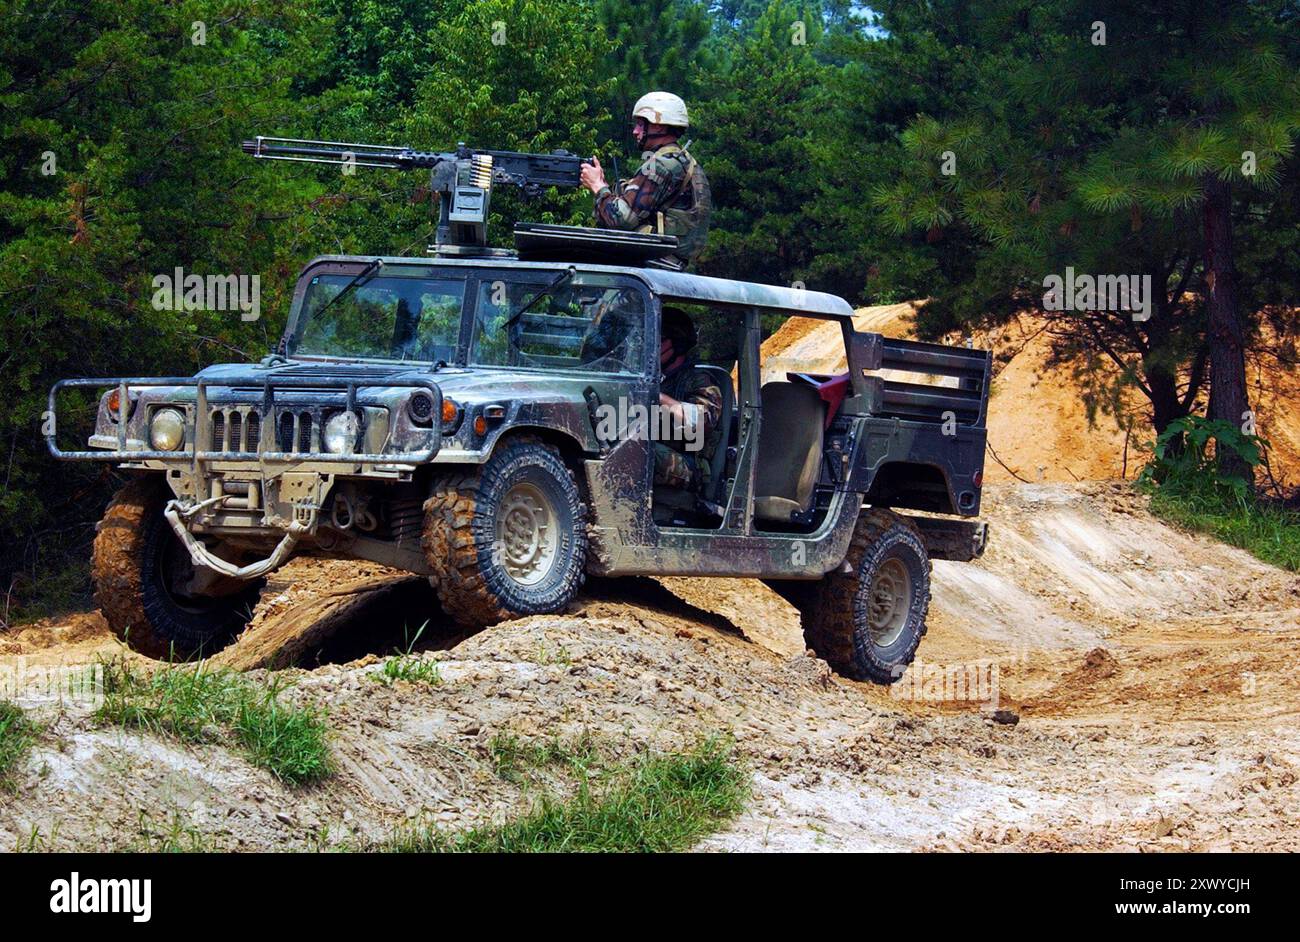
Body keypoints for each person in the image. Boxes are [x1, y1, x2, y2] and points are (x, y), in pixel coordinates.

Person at [579, 92, 712, 270]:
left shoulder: (662, 165)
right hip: (669, 264)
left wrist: (598, 186)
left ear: (659, 126)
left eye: (641, 124)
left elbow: (622, 220)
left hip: (654, 265)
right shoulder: (683, 161)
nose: (635, 131)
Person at [654, 307, 723, 492]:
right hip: (658, 448)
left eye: (659, 340)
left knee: (637, 451)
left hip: (688, 463)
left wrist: (657, 397)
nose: (651, 346)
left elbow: (701, 423)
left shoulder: (700, 381)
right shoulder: (657, 379)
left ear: (678, 344)